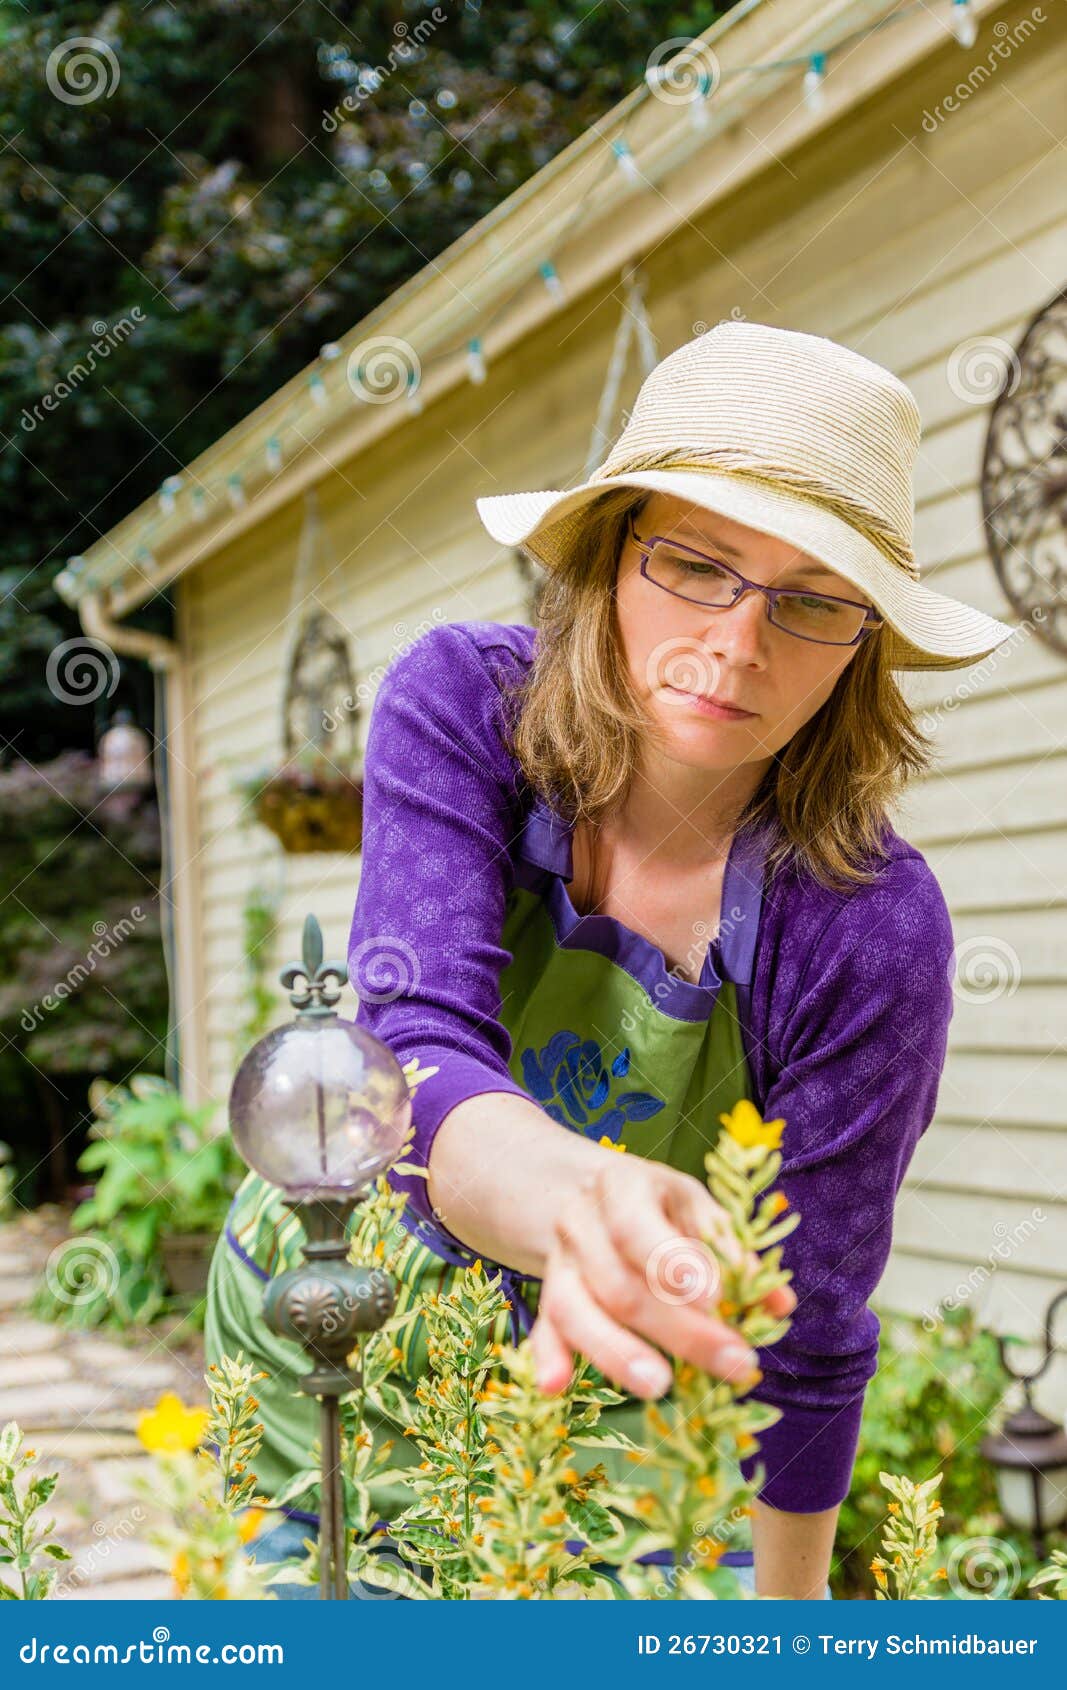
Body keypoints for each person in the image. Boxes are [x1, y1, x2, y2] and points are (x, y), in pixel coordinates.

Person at [207, 320, 1014, 1600]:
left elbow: (800, 1322)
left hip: (595, 1418)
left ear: (862, 643)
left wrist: (783, 1629)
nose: (742, 640)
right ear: (608, 554)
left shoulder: (865, 927)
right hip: (327, 1325)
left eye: (811, 598)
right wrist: (581, 1198)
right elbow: (414, 1051)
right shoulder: (464, 710)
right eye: (697, 563)